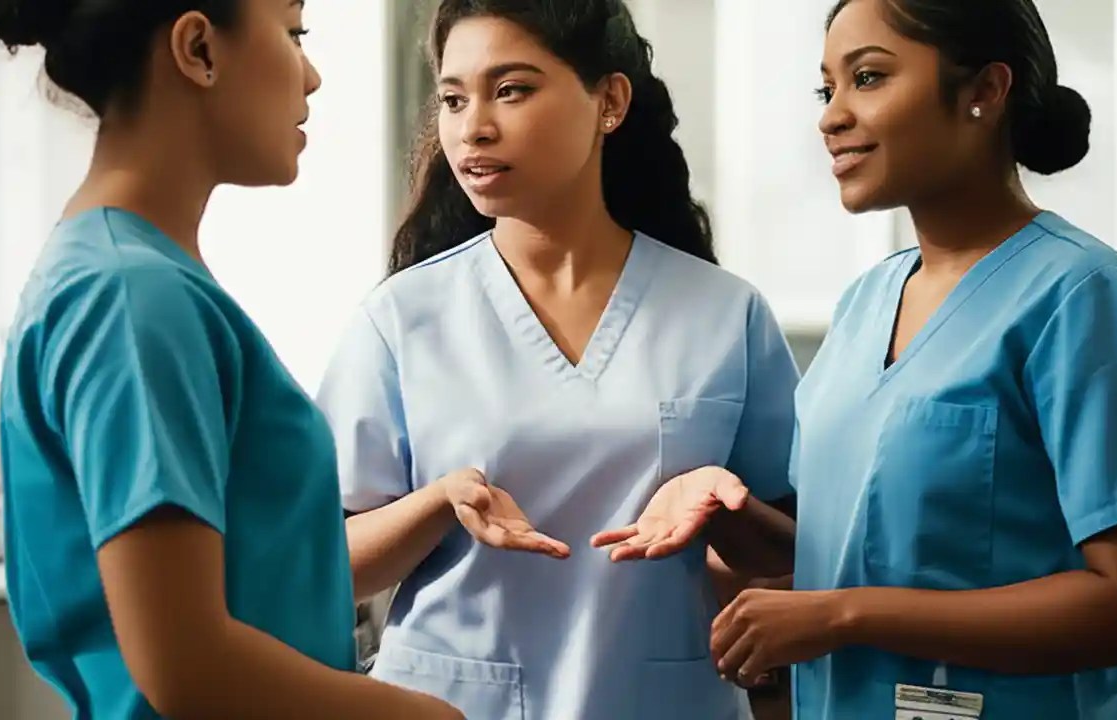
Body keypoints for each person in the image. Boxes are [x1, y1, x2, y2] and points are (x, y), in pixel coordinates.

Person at [707, 1, 1117, 718]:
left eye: (868, 78)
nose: (831, 117)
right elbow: (864, 549)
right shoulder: (864, 304)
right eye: (827, 90)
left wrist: (847, 614)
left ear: (985, 91)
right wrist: (727, 518)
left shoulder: (1082, 296)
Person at [316, 0, 799, 718]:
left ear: (609, 101)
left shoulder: (725, 314)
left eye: (510, 90)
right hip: (451, 703)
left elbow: (794, 551)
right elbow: (320, 561)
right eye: (452, 98)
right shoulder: (401, 318)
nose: (473, 126)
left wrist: (717, 502)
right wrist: (438, 502)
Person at [0, 0, 460, 717]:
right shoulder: (128, 295)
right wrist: (426, 716)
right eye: (294, 34)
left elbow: (260, 580)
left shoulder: (134, 278)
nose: (313, 76)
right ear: (199, 48)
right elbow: (187, 665)